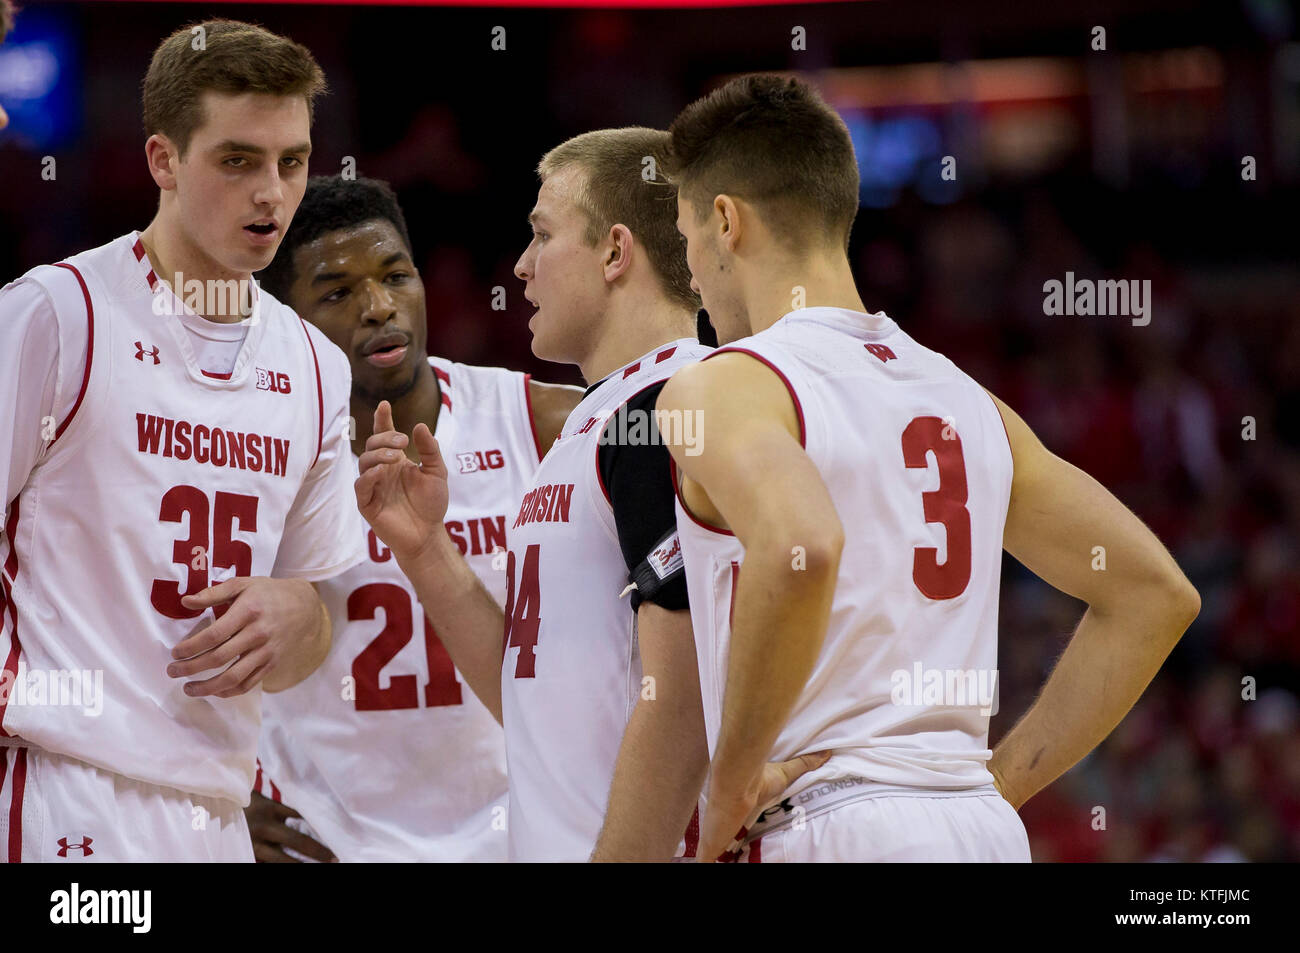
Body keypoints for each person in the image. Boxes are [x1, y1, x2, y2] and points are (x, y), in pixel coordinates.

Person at [657, 74, 1201, 862]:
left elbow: (801, 546)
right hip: (976, 829)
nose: (694, 280)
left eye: (685, 242)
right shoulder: (966, 399)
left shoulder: (722, 383)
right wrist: (995, 788)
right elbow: (1156, 593)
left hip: (822, 820)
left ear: (726, 221)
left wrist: (729, 784)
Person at [0, 20, 364, 862]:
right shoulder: (58, 314)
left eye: (292, 161)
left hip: (216, 809)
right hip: (62, 784)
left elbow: (319, 619)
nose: (272, 193)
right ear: (163, 160)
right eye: (237, 161)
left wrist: (299, 614)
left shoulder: (314, 365)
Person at [246, 175, 582, 862]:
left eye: (396, 276)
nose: (378, 307)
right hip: (329, 841)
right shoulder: (254, 457)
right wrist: (212, 791)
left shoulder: (543, 424)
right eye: (337, 292)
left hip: (519, 835)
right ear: (285, 320)